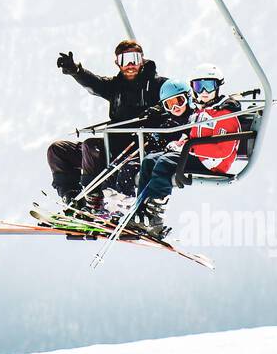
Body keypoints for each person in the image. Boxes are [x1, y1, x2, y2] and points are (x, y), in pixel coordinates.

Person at [47, 40, 165, 214]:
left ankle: (94, 202)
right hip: (111, 149)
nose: (130, 64)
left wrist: (161, 109)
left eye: (135, 59)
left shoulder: (157, 85)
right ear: (117, 63)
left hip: (136, 150)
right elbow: (94, 83)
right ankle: (73, 198)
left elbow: (178, 101)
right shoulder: (115, 86)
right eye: (125, 60)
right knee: (57, 151)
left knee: (90, 146)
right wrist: (76, 71)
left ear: (142, 60)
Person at [131, 71, 242, 238]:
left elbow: (223, 151)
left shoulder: (226, 114)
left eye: (209, 85)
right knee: (150, 160)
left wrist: (190, 149)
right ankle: (139, 213)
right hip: (197, 156)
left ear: (218, 86)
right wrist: (180, 144)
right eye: (199, 86)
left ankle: (155, 218)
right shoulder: (202, 112)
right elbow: (191, 136)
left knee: (164, 162)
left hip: (212, 164)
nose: (204, 91)